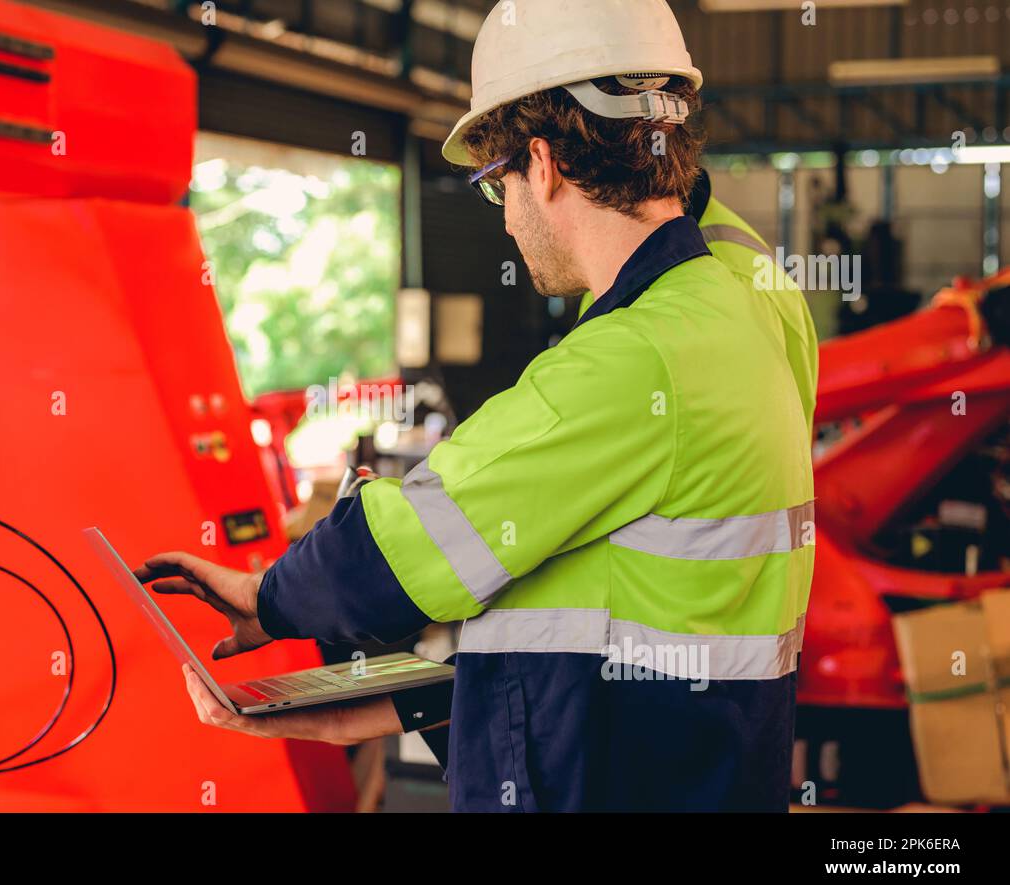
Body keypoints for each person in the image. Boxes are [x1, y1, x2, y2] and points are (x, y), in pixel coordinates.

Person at [136, 0, 817, 812]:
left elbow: (407, 546)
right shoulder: (756, 293)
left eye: (497, 186)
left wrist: (269, 597)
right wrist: (400, 704)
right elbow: (622, 620)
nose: (505, 221)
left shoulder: (635, 357)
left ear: (544, 163)